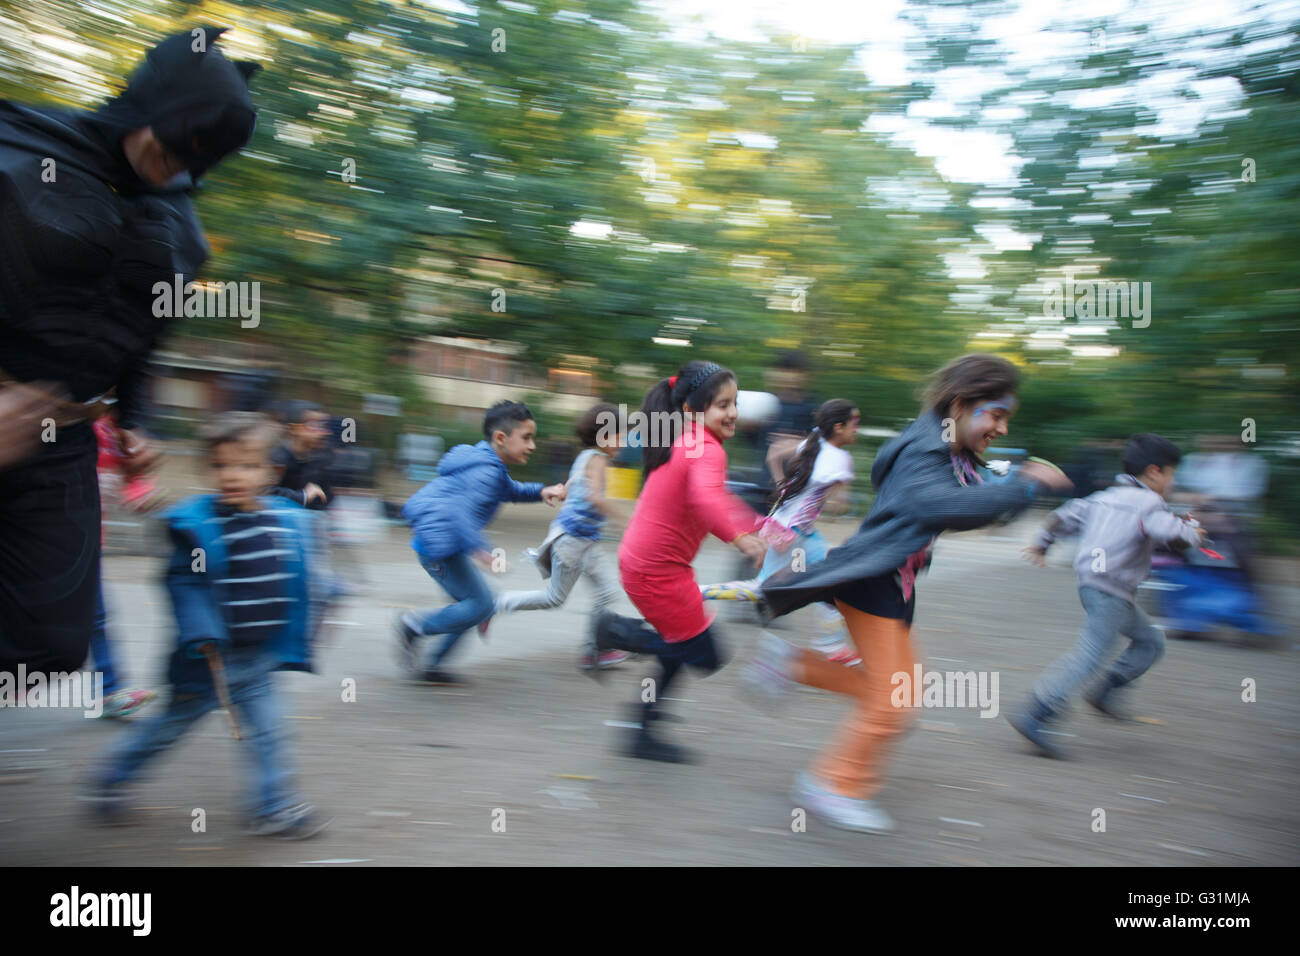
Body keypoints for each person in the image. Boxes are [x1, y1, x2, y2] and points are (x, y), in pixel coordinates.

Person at [0, 27, 258, 678]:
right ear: (149, 107)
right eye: (174, 146)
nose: (176, 168)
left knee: (52, 644)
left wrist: (133, 417)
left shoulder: (174, 222)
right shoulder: (21, 151)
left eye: (195, 160)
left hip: (56, 439)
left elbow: (147, 326)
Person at [752, 354, 1072, 832]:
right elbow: (940, 504)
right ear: (963, 404)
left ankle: (791, 665)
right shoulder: (927, 448)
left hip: (888, 585)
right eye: (997, 415)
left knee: (896, 694)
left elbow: (969, 495)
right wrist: (1023, 488)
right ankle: (833, 784)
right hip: (873, 583)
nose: (1001, 428)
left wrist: (1010, 482)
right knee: (894, 704)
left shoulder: (945, 444)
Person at [86, 413, 331, 839]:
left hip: (258, 661)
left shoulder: (283, 519)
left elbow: (302, 570)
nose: (232, 475)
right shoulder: (200, 526)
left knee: (271, 733)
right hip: (208, 663)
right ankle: (111, 778)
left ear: (271, 472)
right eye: (221, 465)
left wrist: (327, 596)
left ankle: (272, 808)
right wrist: (201, 634)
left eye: (247, 465)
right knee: (167, 730)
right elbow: (182, 582)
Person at [594, 360, 767, 763]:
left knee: (679, 650)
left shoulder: (684, 439)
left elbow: (714, 498)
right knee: (705, 654)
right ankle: (615, 631)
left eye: (735, 403)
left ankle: (642, 730)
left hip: (646, 563)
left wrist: (760, 526)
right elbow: (707, 501)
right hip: (657, 571)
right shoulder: (705, 449)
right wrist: (740, 537)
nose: (734, 413)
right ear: (692, 410)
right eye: (722, 405)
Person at [1009, 434, 1204, 757]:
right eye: (1171, 474)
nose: (1172, 481)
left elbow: (1063, 516)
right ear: (1154, 472)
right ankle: (1037, 711)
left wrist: (1041, 543)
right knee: (1091, 653)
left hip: (1096, 585)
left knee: (1150, 642)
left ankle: (1106, 691)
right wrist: (1193, 533)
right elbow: (1171, 535)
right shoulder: (1150, 503)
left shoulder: (1106, 496)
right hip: (1111, 588)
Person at [395, 401, 565, 686]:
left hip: (444, 543)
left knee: (473, 605)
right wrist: (483, 551)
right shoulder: (486, 472)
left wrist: (541, 491)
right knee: (481, 604)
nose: (532, 445)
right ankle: (414, 626)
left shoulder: (488, 464)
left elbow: (510, 490)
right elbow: (459, 514)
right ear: (501, 438)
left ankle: (433, 665)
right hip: (439, 547)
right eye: (526, 437)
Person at [703, 399, 861, 663]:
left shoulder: (814, 442)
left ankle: (830, 646)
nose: (856, 429)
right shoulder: (841, 459)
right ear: (839, 426)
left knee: (832, 582)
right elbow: (838, 507)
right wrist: (836, 502)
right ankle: (696, 592)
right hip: (794, 535)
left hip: (787, 528)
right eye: (854, 423)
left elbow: (774, 453)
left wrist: (783, 485)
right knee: (761, 589)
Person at [488, 403, 633, 671]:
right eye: (619, 435)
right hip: (573, 543)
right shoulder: (598, 459)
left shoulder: (586, 457)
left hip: (582, 542)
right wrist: (625, 520)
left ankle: (596, 650)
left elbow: (574, 484)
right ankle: (496, 604)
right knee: (555, 598)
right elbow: (594, 497)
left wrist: (562, 491)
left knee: (608, 592)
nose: (623, 442)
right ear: (602, 436)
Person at [271, 401, 333, 510]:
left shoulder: (317, 461)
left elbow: (326, 498)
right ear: (294, 429)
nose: (322, 432)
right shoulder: (277, 458)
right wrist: (302, 496)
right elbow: (264, 491)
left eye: (323, 425)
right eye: (313, 425)